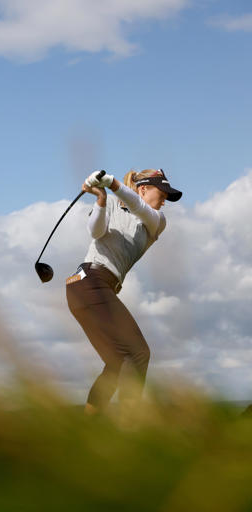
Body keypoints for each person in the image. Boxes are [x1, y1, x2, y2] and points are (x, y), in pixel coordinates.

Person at [66, 169, 182, 415]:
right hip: (88, 281)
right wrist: (101, 200)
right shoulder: (112, 208)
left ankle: (89, 426)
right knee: (139, 353)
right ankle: (131, 427)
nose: (164, 202)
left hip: (89, 288)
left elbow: (138, 206)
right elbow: (95, 232)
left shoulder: (156, 221)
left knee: (116, 363)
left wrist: (111, 183)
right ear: (143, 188)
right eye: (162, 195)